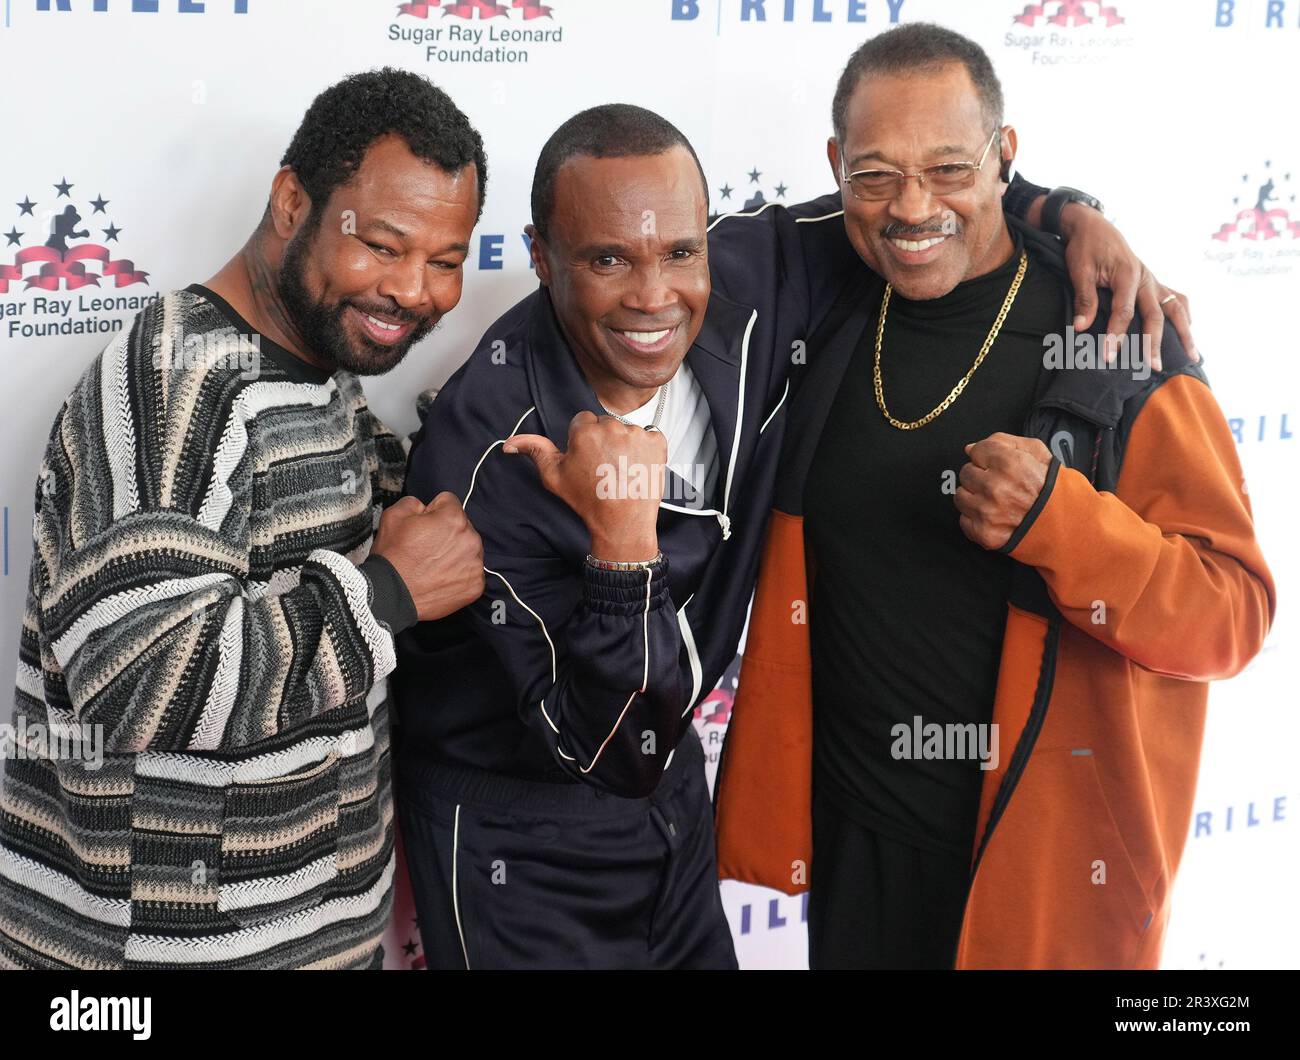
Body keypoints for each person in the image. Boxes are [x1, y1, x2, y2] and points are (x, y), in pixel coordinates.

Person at [394, 100, 1185, 969]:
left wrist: (1073, 214)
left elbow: (904, 203)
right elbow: (605, 745)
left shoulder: (753, 275)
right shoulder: (484, 451)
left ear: (710, 238)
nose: (654, 296)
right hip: (522, 834)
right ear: (543, 260)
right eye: (609, 259)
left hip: (671, 805)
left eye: (681, 253)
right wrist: (623, 539)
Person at [712, 23, 1275, 970]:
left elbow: (1235, 613)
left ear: (1003, 157)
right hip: (856, 851)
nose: (911, 207)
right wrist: (1068, 204)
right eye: (876, 174)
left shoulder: (1120, 339)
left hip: (1040, 878)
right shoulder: (833, 297)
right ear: (836, 167)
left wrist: (1063, 523)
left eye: (949, 168)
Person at [0, 68, 486, 969]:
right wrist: (384, 595)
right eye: (382, 244)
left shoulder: (322, 374)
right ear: (293, 202)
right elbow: (142, 684)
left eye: (447, 260)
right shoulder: (175, 380)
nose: (412, 290)